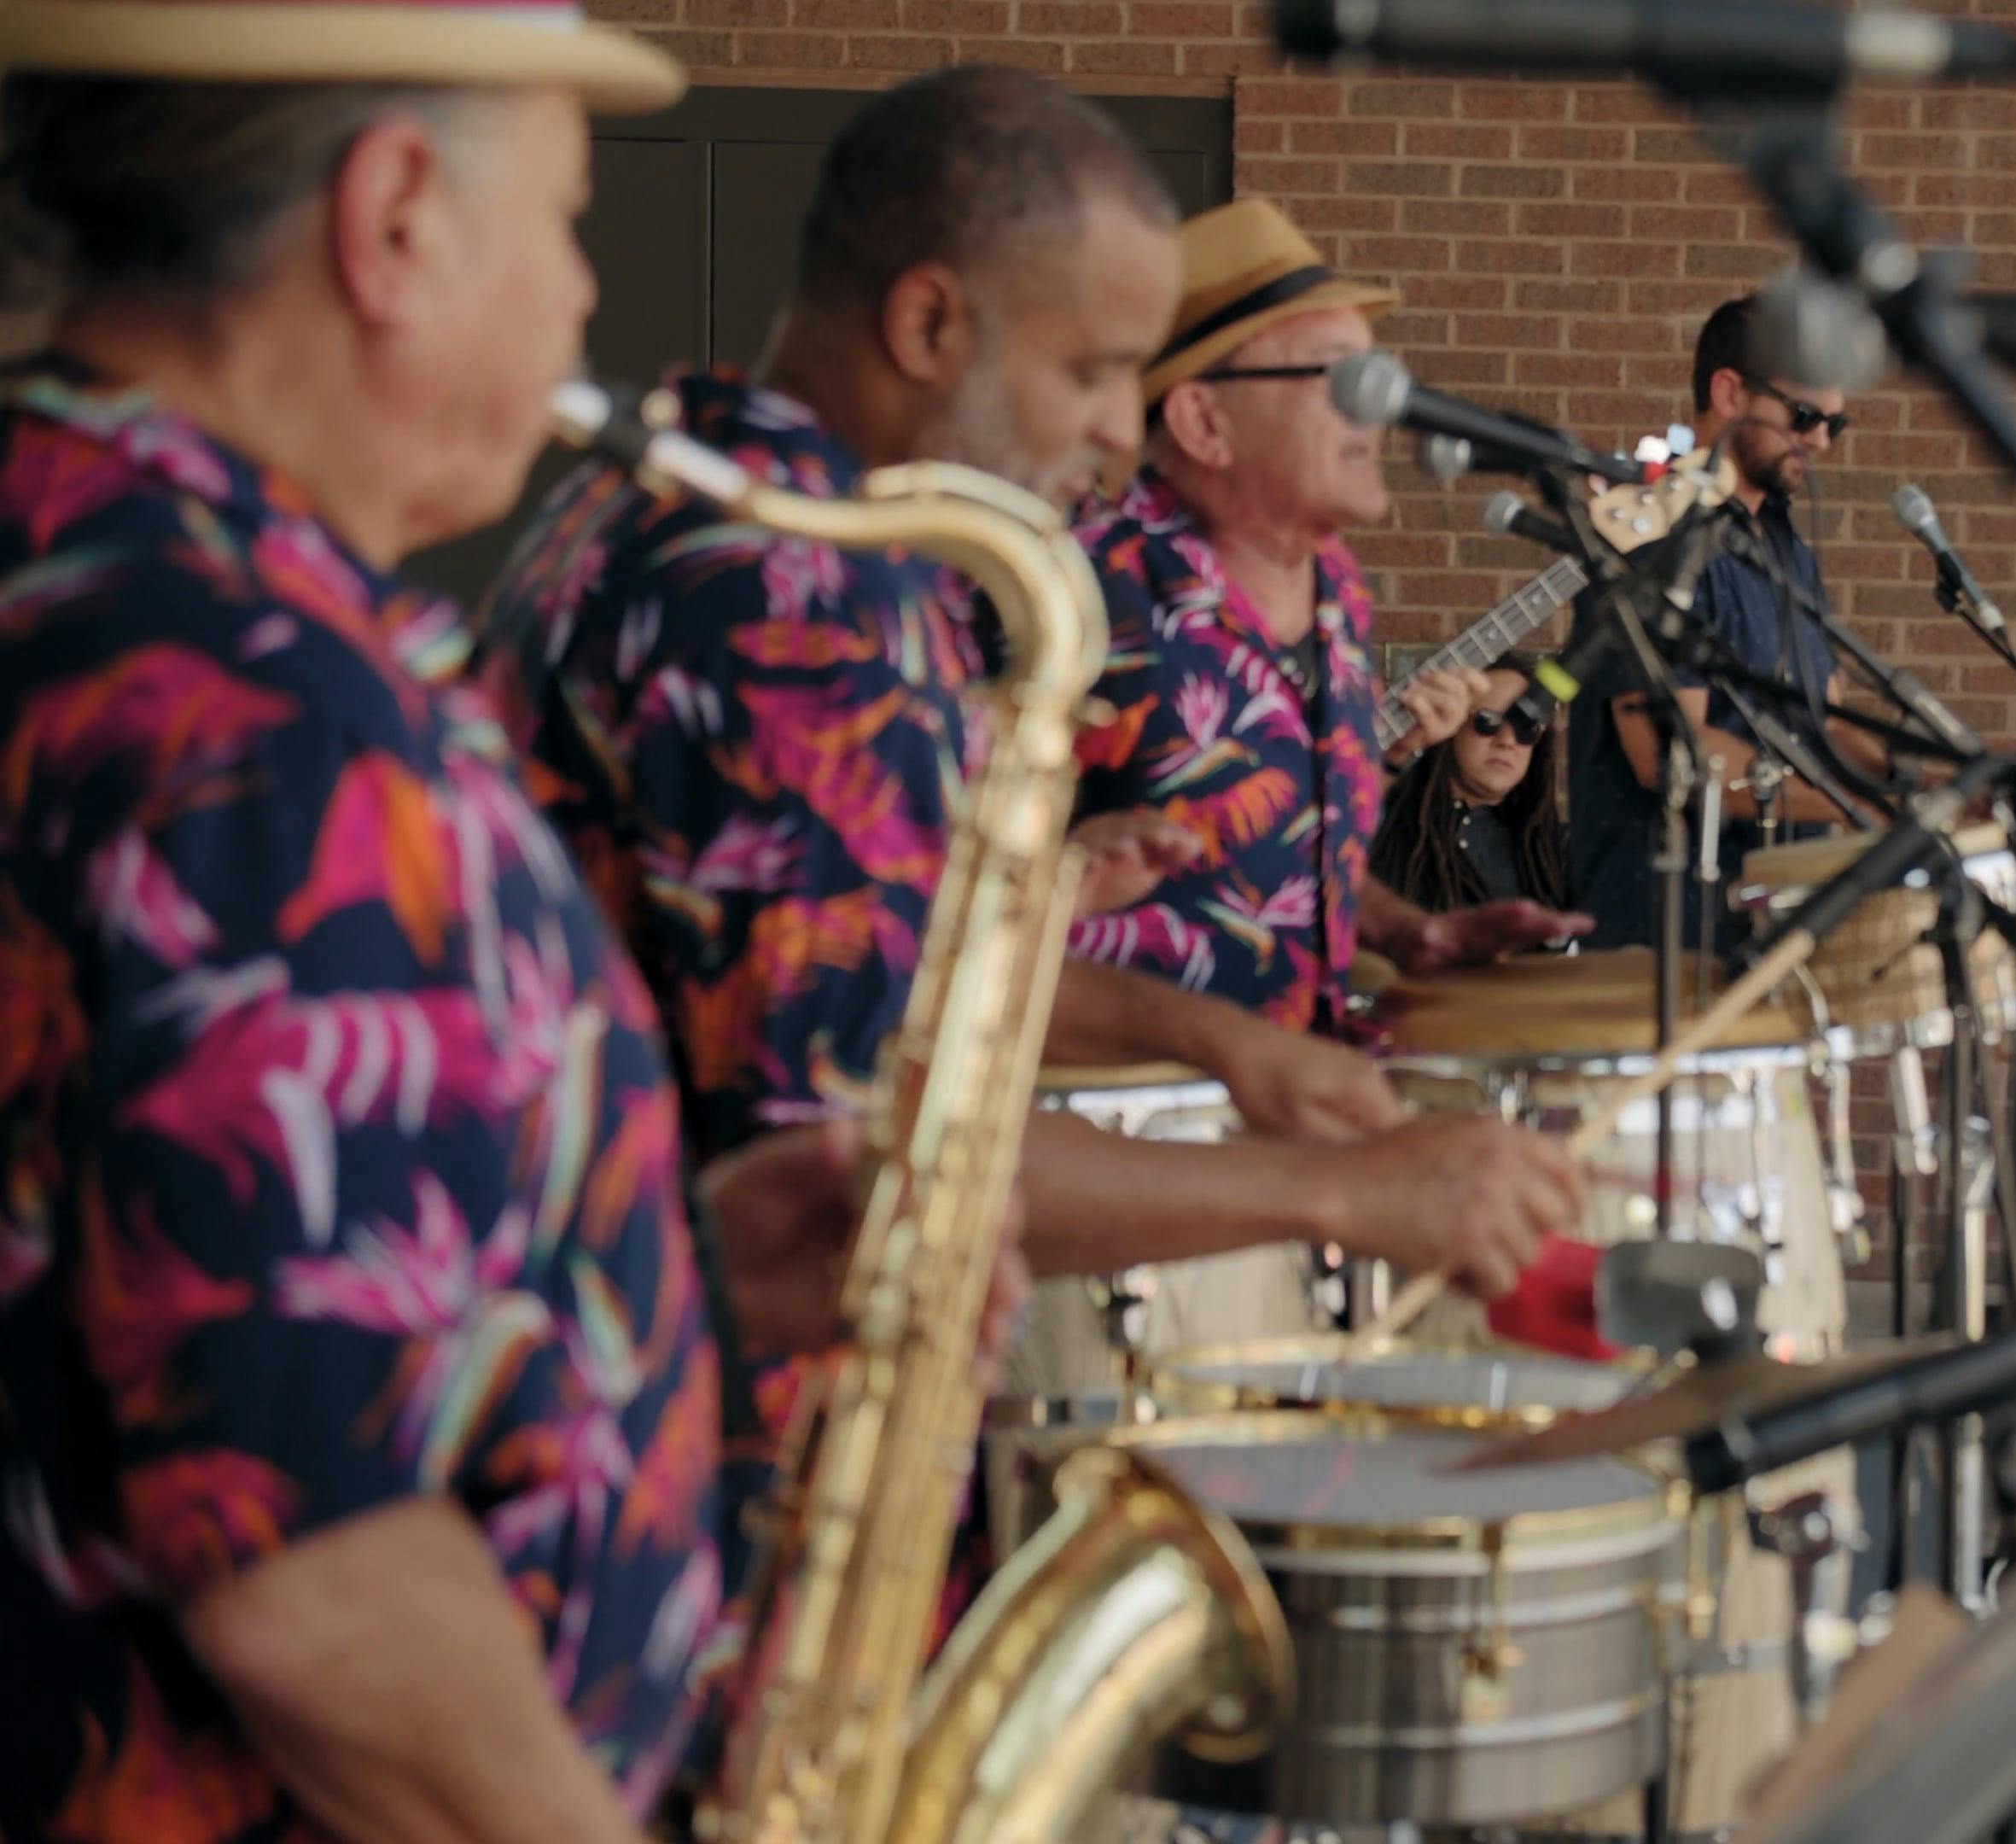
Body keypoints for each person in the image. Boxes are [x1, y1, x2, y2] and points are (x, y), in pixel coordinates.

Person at [0, 9, 876, 1838]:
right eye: (562, 219)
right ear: (394, 219)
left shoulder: (95, 563)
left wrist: (650, 1279)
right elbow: (316, 1582)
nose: (581, 294)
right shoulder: (256, 720)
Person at [487, 73, 1571, 1315]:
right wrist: (1340, 1191)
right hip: (696, 1388)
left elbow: (897, 968)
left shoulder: (733, 511)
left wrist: (1227, 1035)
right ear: (929, 325)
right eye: (1094, 371)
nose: (1119, 431)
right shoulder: (789, 600)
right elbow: (860, 1169)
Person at [1072, 200, 1590, 1032]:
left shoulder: (1335, 587)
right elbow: (930, 916)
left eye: (1374, 375)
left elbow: (1293, 855)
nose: (1374, 411)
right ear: (1204, 421)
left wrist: (1404, 931)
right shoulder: (1078, 592)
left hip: (1299, 1068)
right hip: (1128, 1095)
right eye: (1338, 380)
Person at [1565, 294, 1897, 953]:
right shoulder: (1655, 535)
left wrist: (1924, 782)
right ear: (1729, 393)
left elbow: (1825, 720)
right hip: (1669, 935)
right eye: (1804, 417)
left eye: (1835, 423)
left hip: (1778, 927)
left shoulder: (1787, 550)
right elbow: (1668, 753)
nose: (1820, 442)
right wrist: (1860, 806)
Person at [1369, 662, 1569, 917]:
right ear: (1451, 724)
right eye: (1488, 721)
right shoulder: (1380, 815)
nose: (1507, 741)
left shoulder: (1557, 850)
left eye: (1526, 728)